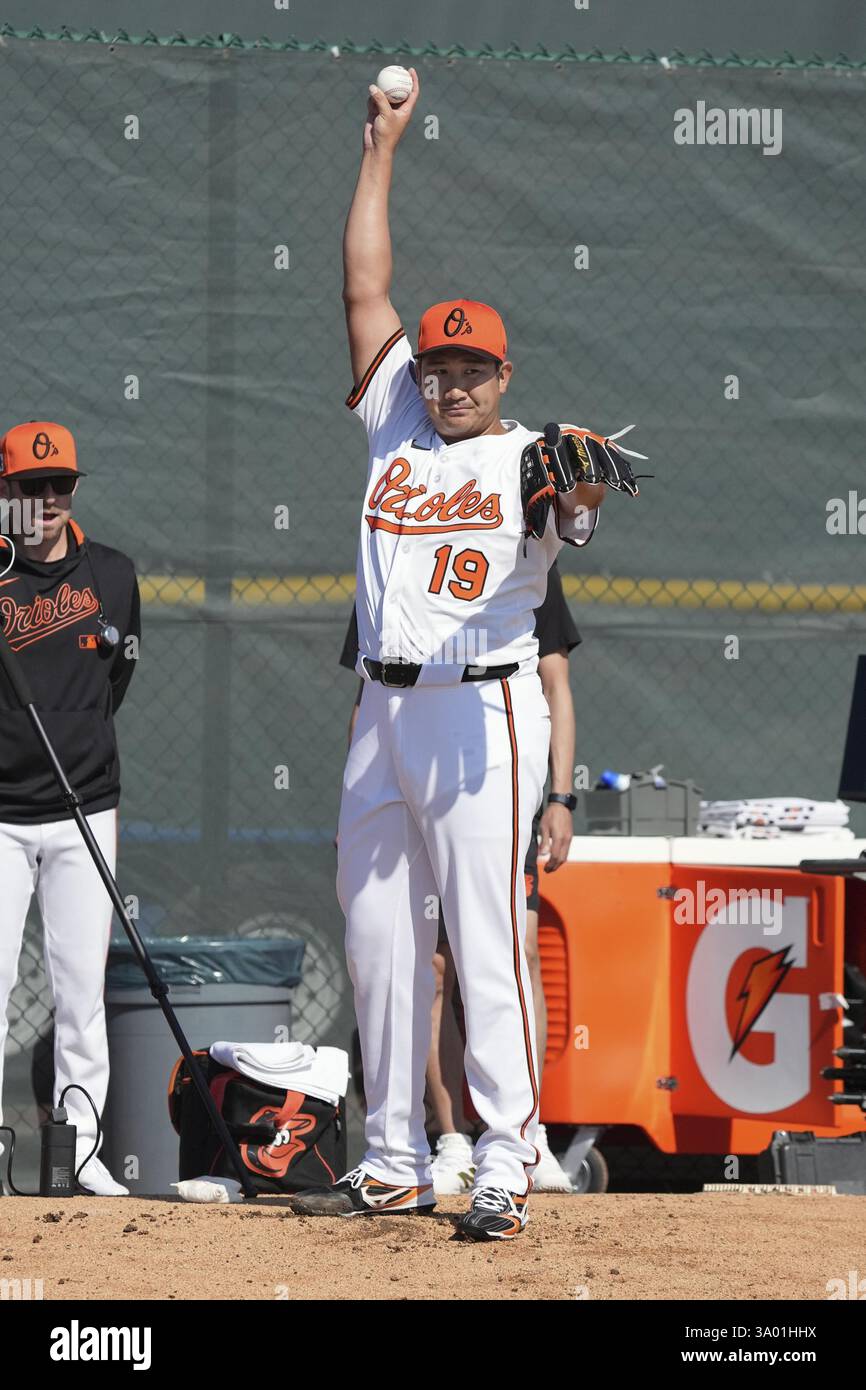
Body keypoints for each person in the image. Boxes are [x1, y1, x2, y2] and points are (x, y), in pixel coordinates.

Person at [292, 69, 630, 1243]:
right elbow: (363, 283)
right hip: (379, 711)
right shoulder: (394, 418)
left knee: (483, 936)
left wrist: (583, 482)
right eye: (436, 367)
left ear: (503, 377)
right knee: (379, 934)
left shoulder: (525, 456)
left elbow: (577, 506)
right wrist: (379, 148)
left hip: (482, 713)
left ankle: (504, 1153)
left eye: (469, 369)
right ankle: (392, 1154)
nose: (446, 383)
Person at [339, 563, 581, 1193]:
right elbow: (367, 686)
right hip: (399, 754)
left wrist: (561, 796)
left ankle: (525, 1135)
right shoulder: (393, 549)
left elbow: (554, 680)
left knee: (509, 947)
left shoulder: (516, 549)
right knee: (425, 963)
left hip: (483, 760)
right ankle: (446, 1139)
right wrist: (356, 793)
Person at [0, 421, 140, 1197]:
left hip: (84, 807)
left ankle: (79, 1155)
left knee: (80, 990)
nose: (48, 498)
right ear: (6, 492)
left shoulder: (112, 573)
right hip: (0, 814)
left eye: (60, 484)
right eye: (31, 486)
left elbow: (116, 679)